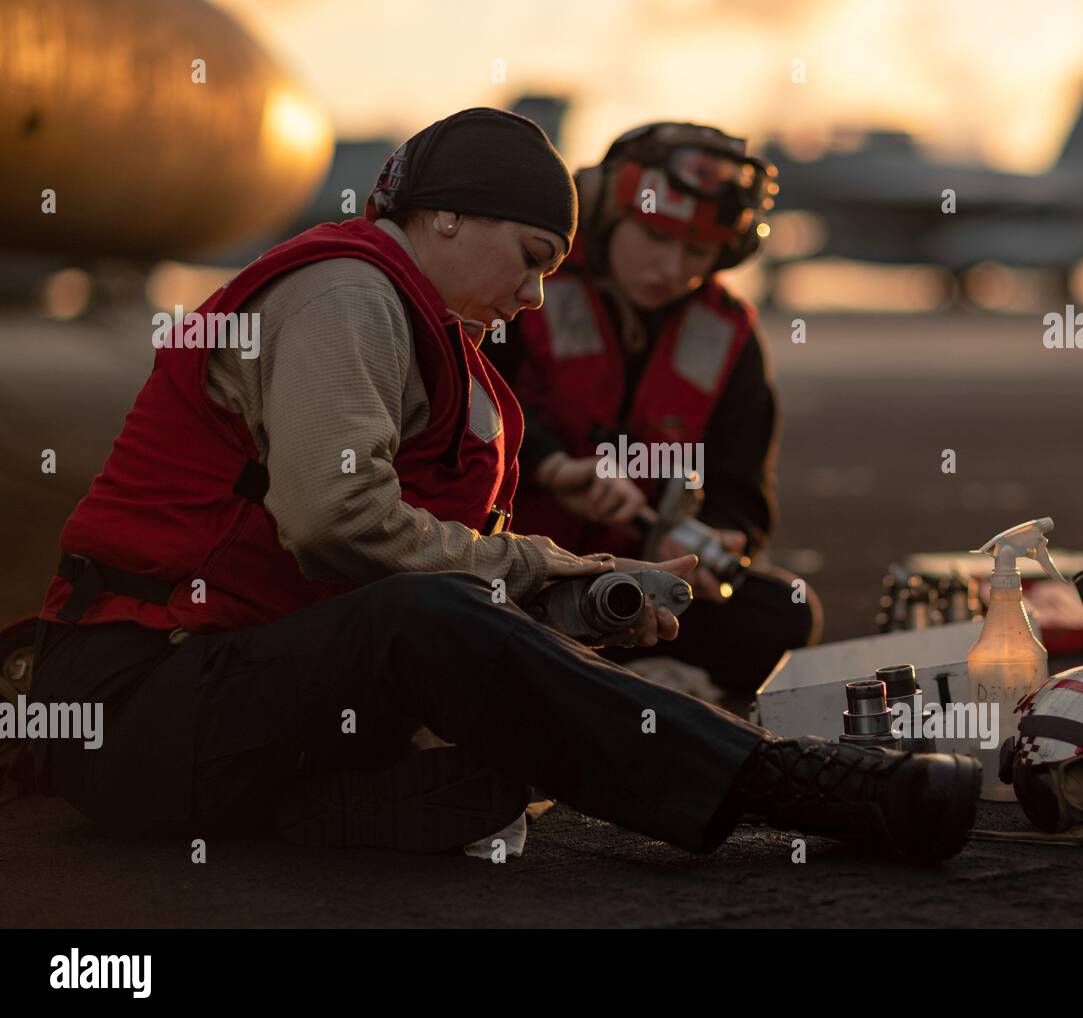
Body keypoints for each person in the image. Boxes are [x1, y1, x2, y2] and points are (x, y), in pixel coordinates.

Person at [27, 108, 979, 862]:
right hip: (135, 702)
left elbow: (391, 575)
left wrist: (573, 605)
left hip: (239, 693)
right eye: (529, 261)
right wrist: (533, 568)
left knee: (475, 663)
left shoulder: (441, 339)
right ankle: (787, 783)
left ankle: (308, 804)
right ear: (444, 215)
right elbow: (333, 524)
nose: (534, 298)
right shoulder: (347, 295)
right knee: (427, 621)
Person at [487, 122, 819, 700]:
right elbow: (470, 404)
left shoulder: (729, 332)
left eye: (696, 250)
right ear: (608, 216)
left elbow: (742, 488)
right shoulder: (528, 285)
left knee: (784, 614)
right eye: (656, 237)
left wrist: (718, 542)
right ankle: (601, 675)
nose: (671, 267)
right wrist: (550, 467)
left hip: (638, 588)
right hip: (516, 569)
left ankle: (592, 669)